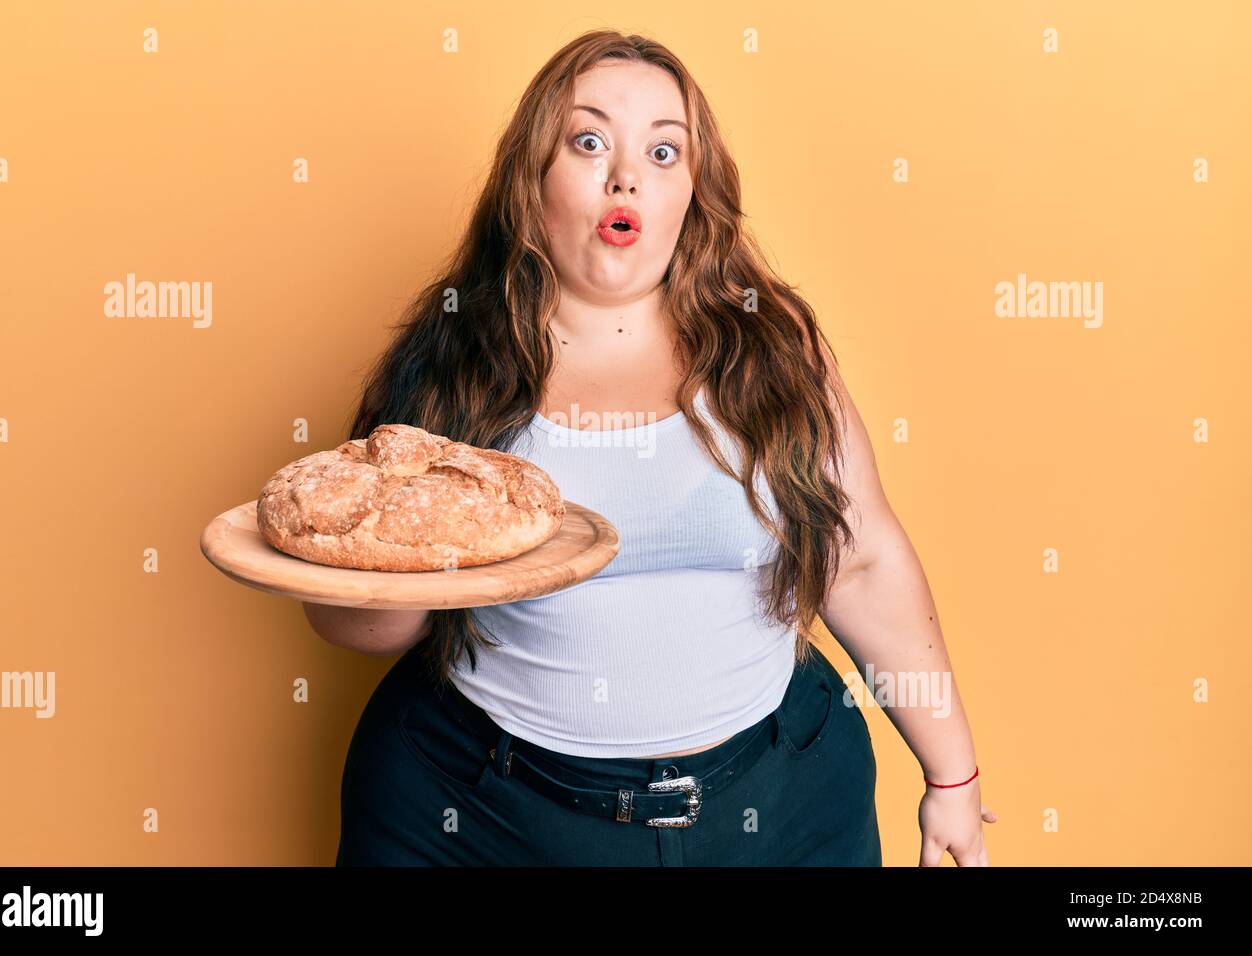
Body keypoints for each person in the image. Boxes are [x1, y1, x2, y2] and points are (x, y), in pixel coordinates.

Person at [304, 29, 995, 866]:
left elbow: (863, 559)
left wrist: (951, 775)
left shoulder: (771, 349)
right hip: (483, 812)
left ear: (691, 195)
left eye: (663, 152)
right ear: (533, 181)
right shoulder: (453, 356)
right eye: (589, 141)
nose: (625, 174)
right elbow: (358, 627)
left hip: (778, 806)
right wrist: (398, 554)